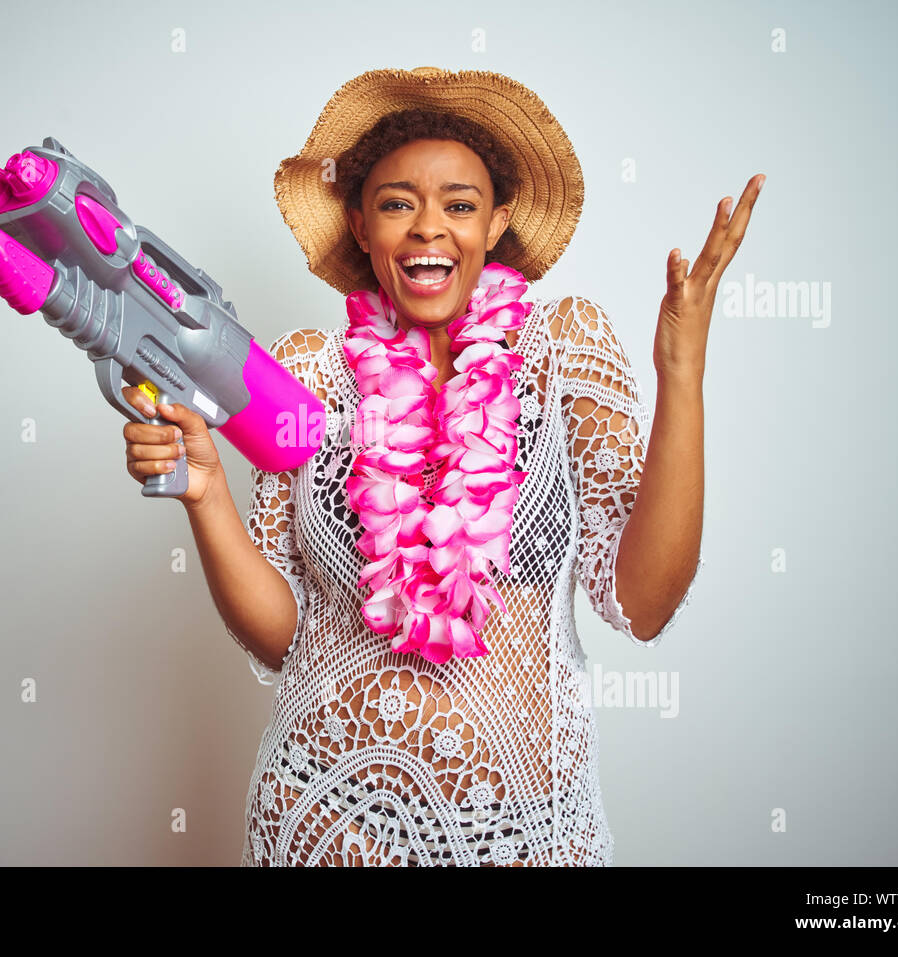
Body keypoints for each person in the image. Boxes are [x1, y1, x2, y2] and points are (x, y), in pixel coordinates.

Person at [121, 66, 762, 865]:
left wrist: (682, 372)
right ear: (361, 226)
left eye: (459, 204)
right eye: (398, 204)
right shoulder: (310, 375)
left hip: (528, 833)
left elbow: (644, 600)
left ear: (495, 224)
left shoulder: (558, 354)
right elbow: (287, 635)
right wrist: (207, 492)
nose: (429, 228)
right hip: (323, 819)